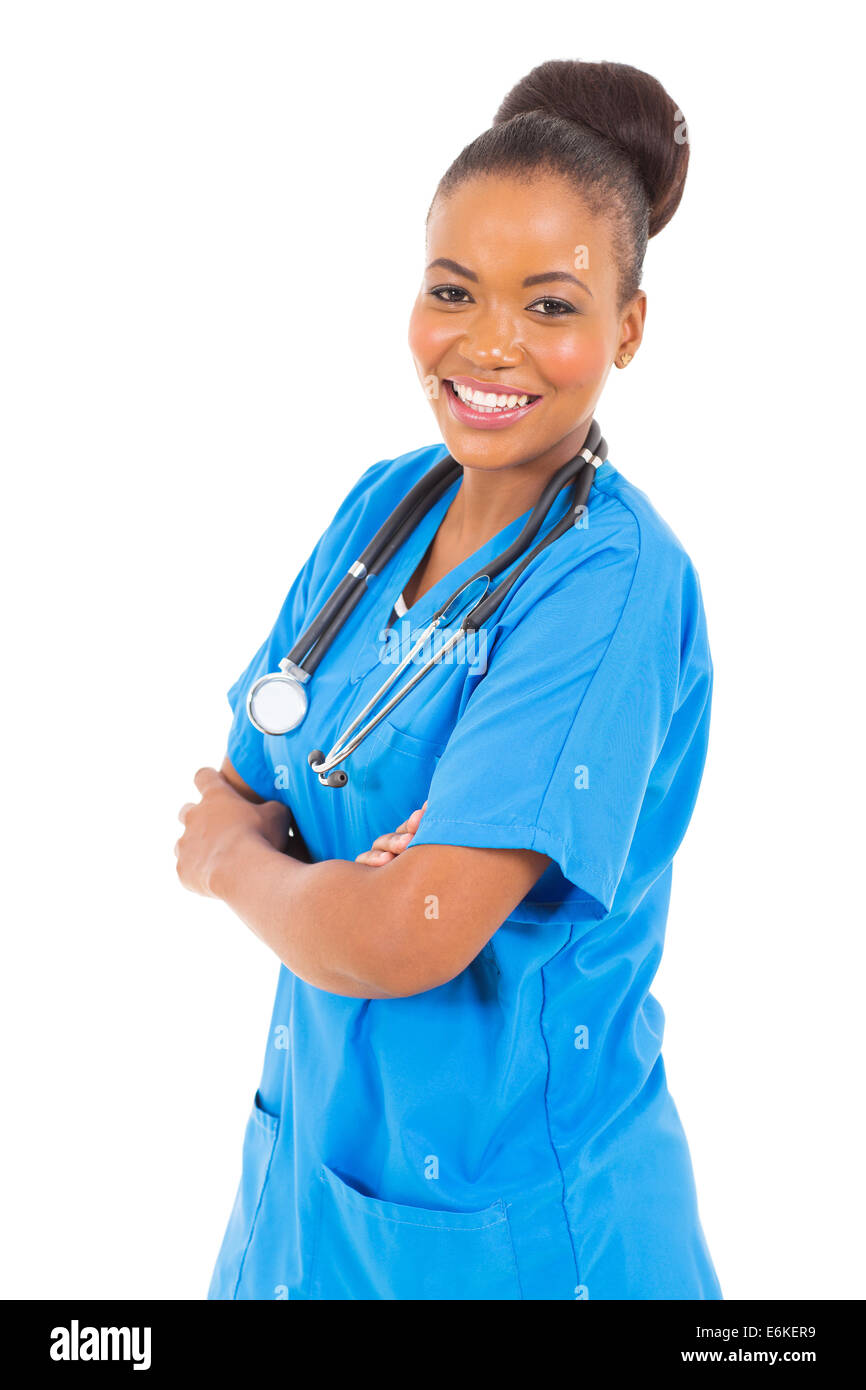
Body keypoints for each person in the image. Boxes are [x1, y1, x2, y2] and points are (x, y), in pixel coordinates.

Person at [175, 57, 722, 1301]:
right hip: (309, 1189)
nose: (488, 345)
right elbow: (248, 777)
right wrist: (334, 875)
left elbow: (397, 932)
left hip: (513, 1229)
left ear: (626, 329)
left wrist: (238, 869)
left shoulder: (612, 585)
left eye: (549, 305)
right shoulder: (384, 504)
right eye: (451, 291)